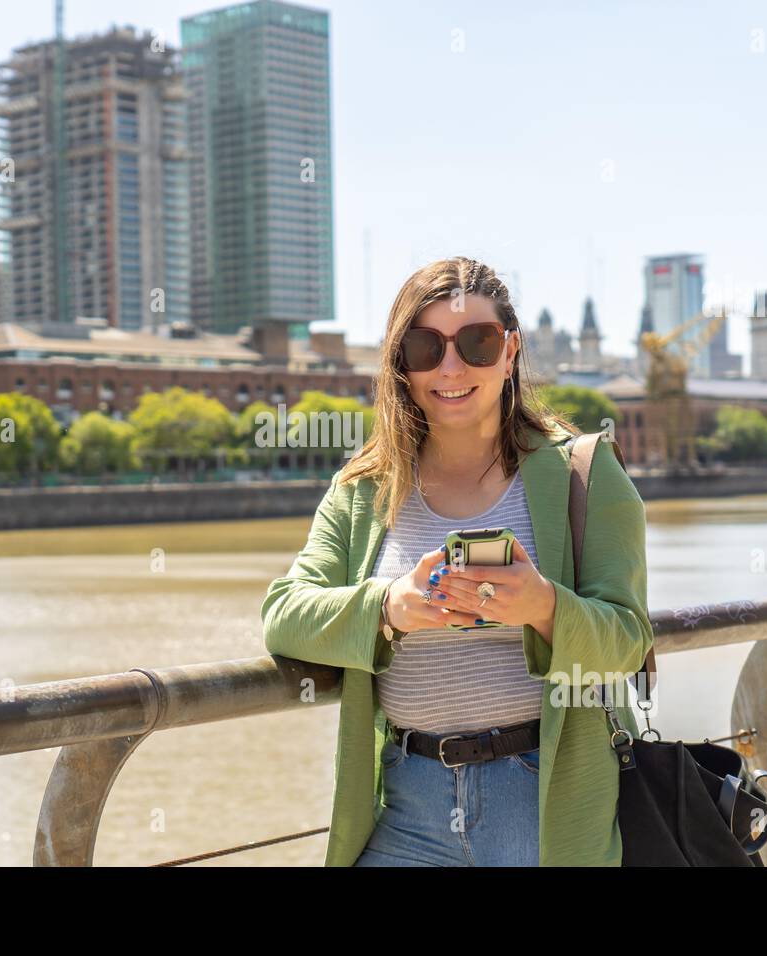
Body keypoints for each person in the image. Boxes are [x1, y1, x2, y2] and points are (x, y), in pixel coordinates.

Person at [261, 256, 653, 866]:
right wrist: (390, 608)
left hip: (541, 801)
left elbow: (628, 641)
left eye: (476, 342)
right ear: (400, 365)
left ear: (510, 350)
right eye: (424, 346)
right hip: (403, 805)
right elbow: (284, 615)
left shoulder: (585, 475)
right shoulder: (363, 489)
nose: (451, 367)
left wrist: (544, 608)